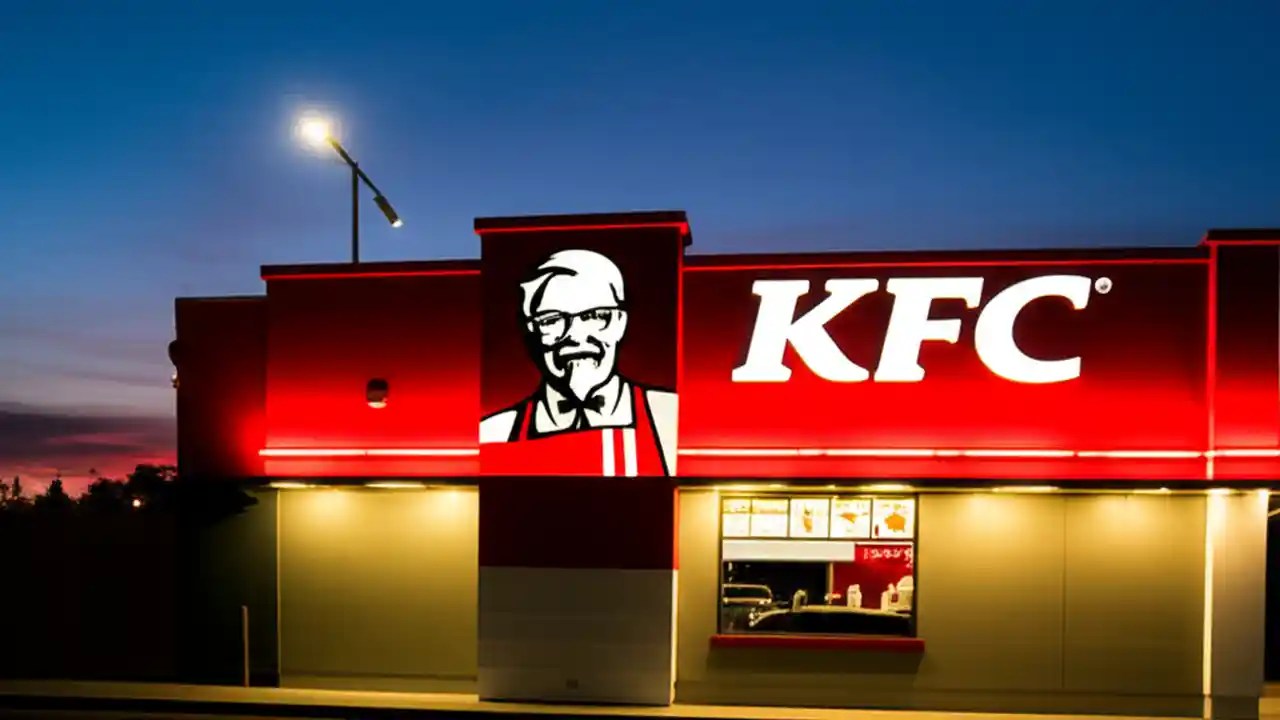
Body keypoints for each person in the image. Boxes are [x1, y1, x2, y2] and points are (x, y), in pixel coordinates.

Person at [480, 249, 677, 476]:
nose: (576, 336)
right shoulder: (497, 432)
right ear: (532, 330)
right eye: (552, 320)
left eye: (596, 316)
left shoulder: (667, 416)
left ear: (620, 322)